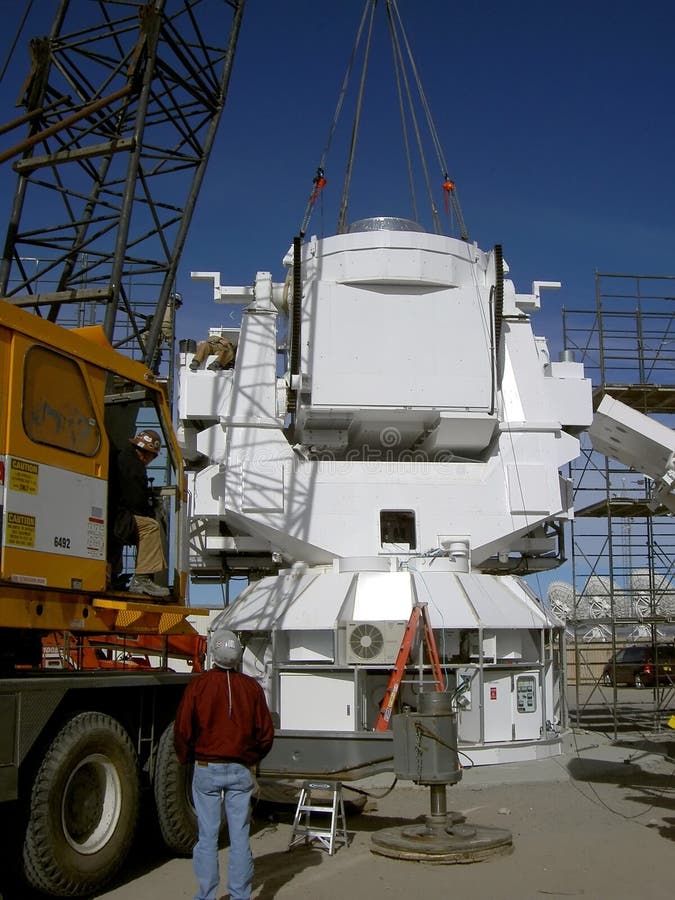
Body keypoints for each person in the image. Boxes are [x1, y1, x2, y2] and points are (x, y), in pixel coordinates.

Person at [174, 628, 274, 900]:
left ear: (213, 653)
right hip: (240, 769)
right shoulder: (251, 688)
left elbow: (183, 728)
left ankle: (206, 894)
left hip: (206, 768)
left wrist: (186, 757)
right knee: (239, 836)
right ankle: (240, 895)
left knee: (207, 836)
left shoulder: (199, 685)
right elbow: (265, 733)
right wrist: (253, 758)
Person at [111, 428, 170, 598]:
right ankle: (142, 578)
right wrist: (150, 512)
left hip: (109, 514)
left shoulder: (119, 457)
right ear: (149, 454)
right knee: (150, 527)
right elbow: (136, 500)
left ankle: (111, 576)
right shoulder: (134, 466)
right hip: (118, 516)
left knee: (115, 539)